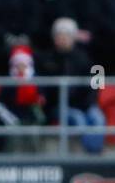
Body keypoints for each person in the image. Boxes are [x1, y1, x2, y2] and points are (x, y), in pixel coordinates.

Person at [36, 17, 104, 154]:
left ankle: (94, 156)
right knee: (79, 120)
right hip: (57, 106)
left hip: (83, 104)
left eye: (66, 35)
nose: (62, 38)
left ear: (73, 37)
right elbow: (45, 89)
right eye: (59, 35)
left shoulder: (85, 58)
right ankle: (87, 158)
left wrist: (88, 103)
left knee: (98, 118)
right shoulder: (45, 59)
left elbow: (97, 82)